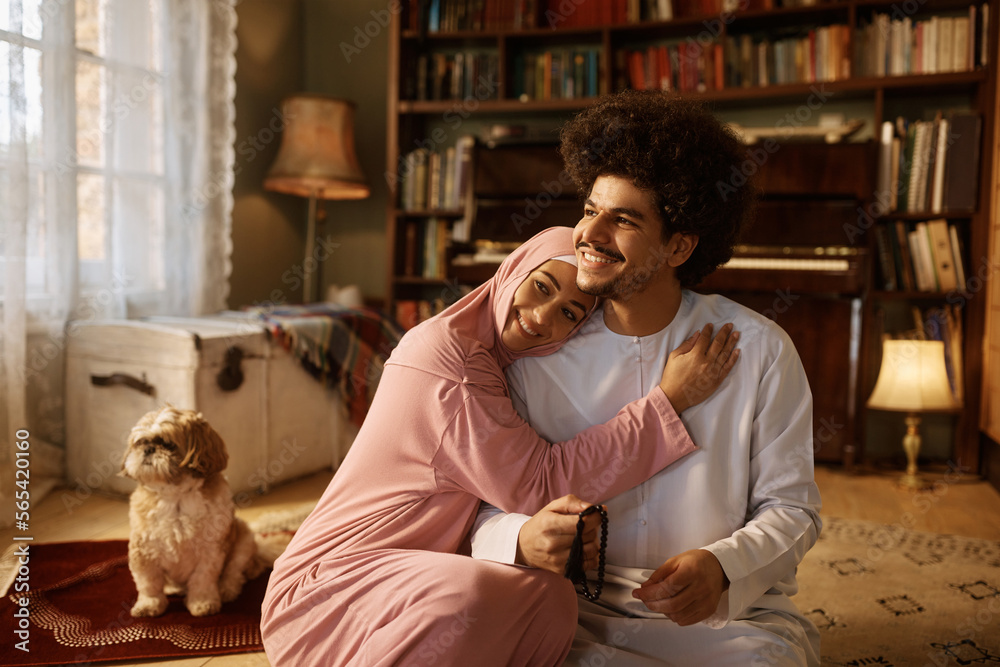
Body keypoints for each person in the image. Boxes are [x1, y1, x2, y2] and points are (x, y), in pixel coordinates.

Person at [259, 225, 739, 666]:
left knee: (551, 602)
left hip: (402, 579)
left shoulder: (491, 359)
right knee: (466, 596)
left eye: (568, 313)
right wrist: (668, 401)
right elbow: (539, 483)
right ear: (514, 270)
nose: (541, 317)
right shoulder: (453, 361)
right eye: (542, 287)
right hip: (321, 594)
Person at [471, 91, 823, 666]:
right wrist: (519, 537)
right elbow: (484, 506)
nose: (590, 234)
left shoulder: (760, 349)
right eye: (590, 209)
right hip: (565, 610)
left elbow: (793, 509)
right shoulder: (538, 353)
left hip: (723, 621)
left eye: (623, 219)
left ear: (679, 246)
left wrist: (723, 566)